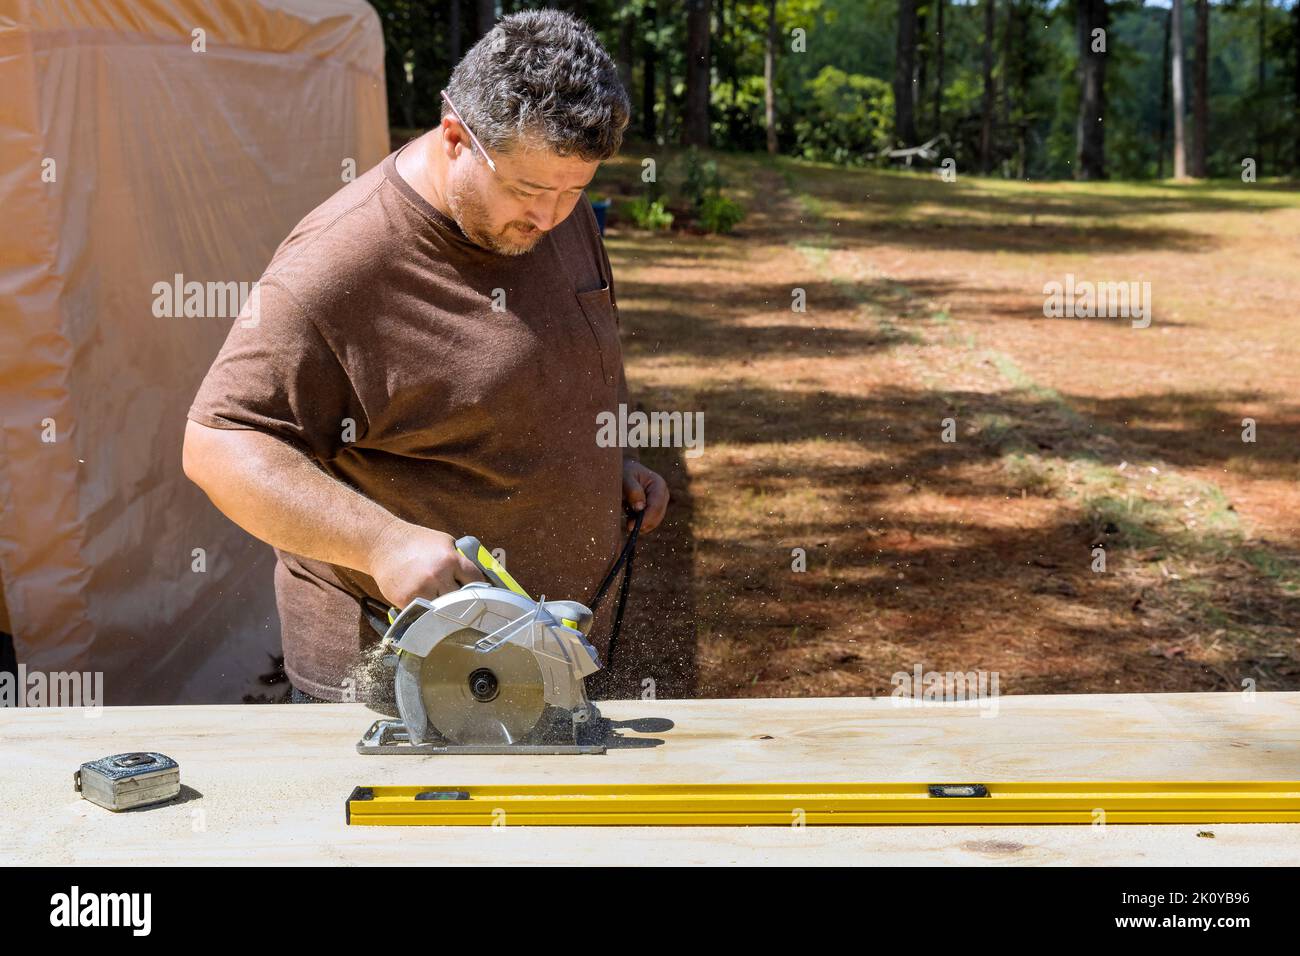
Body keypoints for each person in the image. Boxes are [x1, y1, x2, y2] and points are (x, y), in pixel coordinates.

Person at [183, 10, 668, 703]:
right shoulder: (339, 266)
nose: (551, 218)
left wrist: (609, 460)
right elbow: (218, 444)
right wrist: (381, 544)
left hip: (551, 652)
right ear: (454, 135)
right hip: (407, 674)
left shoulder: (554, 212)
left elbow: (543, 364)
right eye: (530, 191)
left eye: (575, 191)